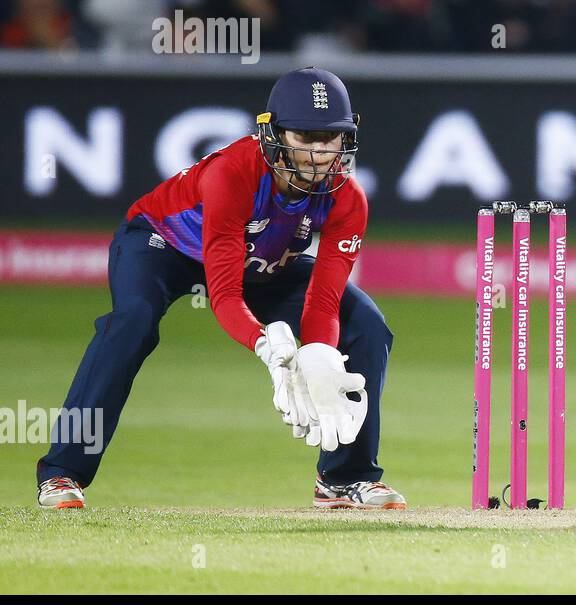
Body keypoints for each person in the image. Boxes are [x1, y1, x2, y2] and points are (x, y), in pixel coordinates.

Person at [36, 67, 404, 511]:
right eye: (305, 137)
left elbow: (322, 301)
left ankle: (344, 478)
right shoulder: (232, 174)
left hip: (265, 262)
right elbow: (225, 294)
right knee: (132, 322)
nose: (318, 153)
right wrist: (265, 345)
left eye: (330, 138)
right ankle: (61, 473)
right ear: (273, 134)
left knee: (366, 324)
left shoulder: (348, 198)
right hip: (163, 246)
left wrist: (319, 355)